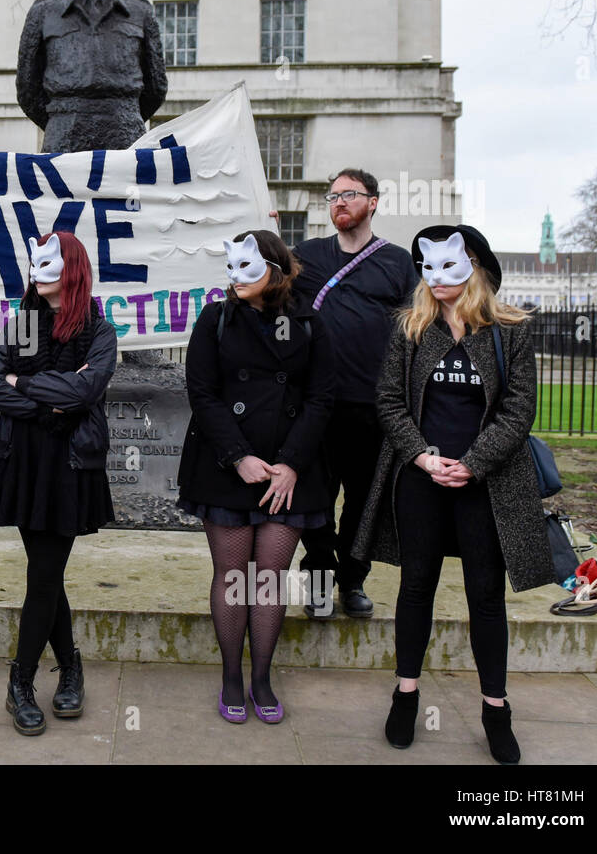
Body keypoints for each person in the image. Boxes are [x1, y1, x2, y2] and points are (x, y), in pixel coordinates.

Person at [353, 225, 552, 765]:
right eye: (427, 267)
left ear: (477, 268)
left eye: (448, 266)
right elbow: (389, 400)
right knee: (416, 586)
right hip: (421, 480)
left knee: (485, 597)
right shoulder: (411, 329)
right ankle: (405, 695)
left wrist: (474, 464)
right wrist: (421, 456)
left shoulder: (510, 332)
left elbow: (519, 410)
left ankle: (496, 710)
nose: (435, 278)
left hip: (487, 486)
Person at [176, 229, 334, 724]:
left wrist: (290, 463)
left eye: (247, 267)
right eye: (231, 269)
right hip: (227, 468)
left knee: (268, 577)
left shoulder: (309, 323)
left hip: (290, 472)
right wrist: (238, 456)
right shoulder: (215, 319)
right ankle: (229, 675)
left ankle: (261, 676)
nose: (235, 278)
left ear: (276, 269)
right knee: (231, 575)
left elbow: (321, 398)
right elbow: (202, 394)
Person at [0, 231, 117, 736]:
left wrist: (26, 384)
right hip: (25, 462)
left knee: (43, 574)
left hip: (70, 464)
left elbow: (86, 390)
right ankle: (72, 666)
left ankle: (20, 681)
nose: (38, 272)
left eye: (50, 264)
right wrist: (47, 398)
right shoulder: (20, 326)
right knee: (46, 573)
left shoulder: (99, 331)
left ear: (73, 267)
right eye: (34, 265)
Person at [287, 169, 420, 619]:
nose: (339, 202)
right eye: (333, 196)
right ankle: (320, 580)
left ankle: (354, 580)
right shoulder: (305, 256)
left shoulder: (398, 262)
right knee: (316, 498)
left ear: (373, 202)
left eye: (349, 195)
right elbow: (268, 289)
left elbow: (414, 330)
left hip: (373, 404)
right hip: (317, 404)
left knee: (365, 500)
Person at [16, 0, 168, 153]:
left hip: (125, 138)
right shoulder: (43, 13)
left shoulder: (141, 12)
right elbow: (27, 91)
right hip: (64, 139)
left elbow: (156, 87)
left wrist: (121, 113)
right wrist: (62, 120)